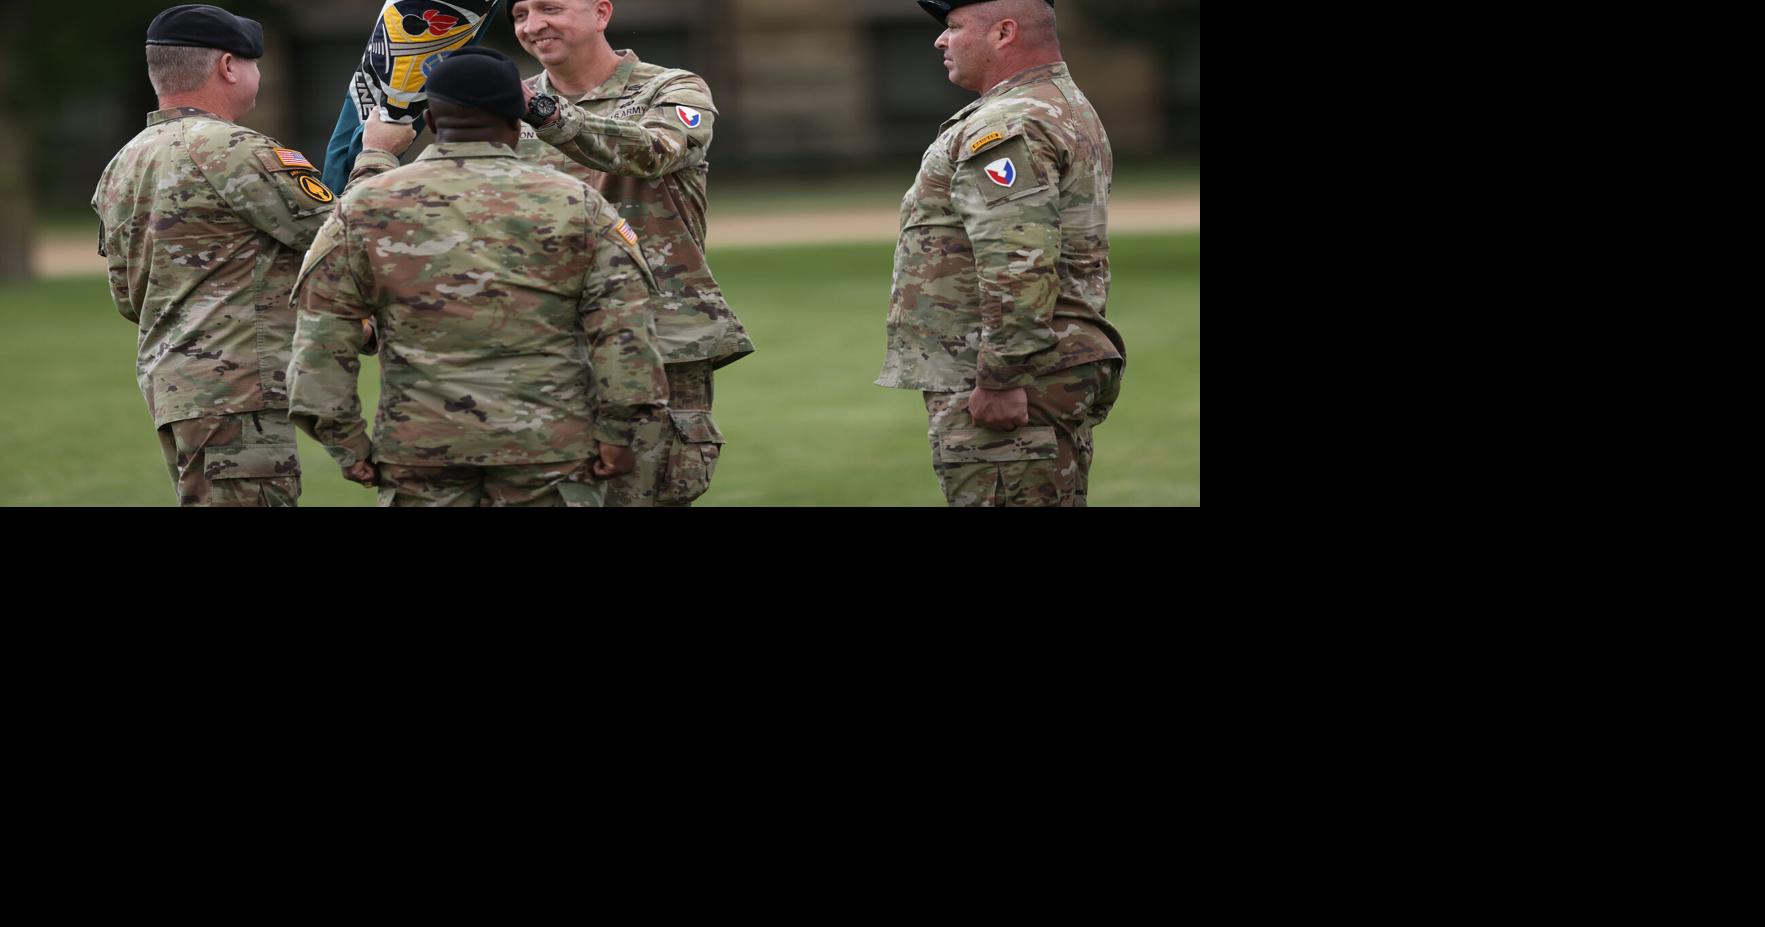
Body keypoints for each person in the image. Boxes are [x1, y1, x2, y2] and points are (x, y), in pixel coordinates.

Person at [286, 47, 669, 507]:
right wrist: (618, 432)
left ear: (431, 122)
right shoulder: (576, 203)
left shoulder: (367, 206)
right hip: (548, 451)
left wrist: (346, 443)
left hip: (421, 452)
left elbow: (322, 332)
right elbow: (623, 327)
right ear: (515, 125)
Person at [92, 3, 415, 506]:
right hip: (237, 392)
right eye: (253, 63)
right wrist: (377, 153)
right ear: (228, 67)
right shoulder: (234, 150)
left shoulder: (123, 163)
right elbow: (349, 234)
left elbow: (128, 296)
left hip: (179, 387)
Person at [876, 0, 1126, 507]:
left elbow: (1018, 259)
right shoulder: (1053, 104)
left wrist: (1001, 376)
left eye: (953, 27)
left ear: (1003, 33)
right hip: (1047, 366)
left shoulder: (1012, 122)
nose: (941, 40)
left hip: (1014, 383)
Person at [512, 0, 753, 506]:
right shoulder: (508, 104)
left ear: (601, 14)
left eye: (550, 8)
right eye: (519, 14)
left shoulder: (670, 88)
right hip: (540, 342)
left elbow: (658, 151)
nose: (533, 25)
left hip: (655, 338)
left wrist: (545, 114)